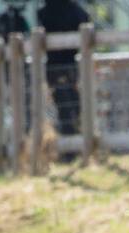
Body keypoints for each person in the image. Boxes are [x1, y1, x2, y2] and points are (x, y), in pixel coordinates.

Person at [38, 0, 90, 149]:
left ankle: (71, 145)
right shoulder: (73, 10)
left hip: (59, 64)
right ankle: (70, 146)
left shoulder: (45, 12)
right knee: (69, 105)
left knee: (67, 105)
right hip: (67, 64)